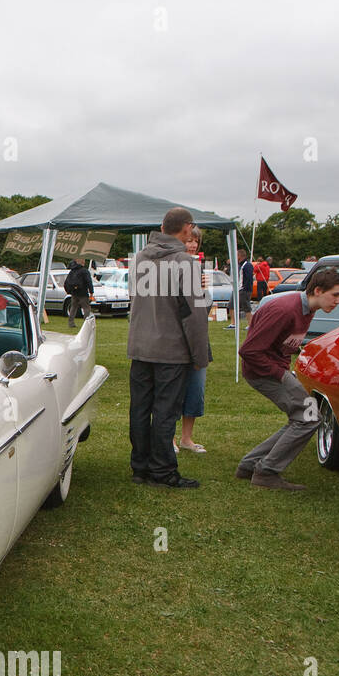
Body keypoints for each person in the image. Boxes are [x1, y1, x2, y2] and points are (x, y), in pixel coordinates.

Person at [235, 267, 339, 490]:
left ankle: (249, 466)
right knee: (309, 417)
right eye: (335, 295)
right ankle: (266, 472)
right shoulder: (285, 309)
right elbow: (249, 351)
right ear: (317, 290)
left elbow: (282, 341)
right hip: (265, 373)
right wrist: (282, 376)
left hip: (274, 370)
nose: (338, 301)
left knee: (303, 417)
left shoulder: (308, 309)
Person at [126, 207, 208, 489]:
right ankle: (162, 471)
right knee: (165, 410)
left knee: (140, 408)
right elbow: (194, 314)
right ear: (187, 228)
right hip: (170, 348)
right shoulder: (185, 262)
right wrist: (200, 355)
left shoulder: (139, 258)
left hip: (141, 345)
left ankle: (140, 466)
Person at [174, 228, 211, 454]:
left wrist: (204, 292)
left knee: (195, 391)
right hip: (176, 340)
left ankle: (187, 438)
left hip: (198, 340)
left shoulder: (199, 269)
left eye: (195, 242)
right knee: (173, 391)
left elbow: (203, 309)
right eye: (189, 241)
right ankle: (170, 439)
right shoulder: (172, 268)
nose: (192, 245)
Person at [63, 257, 94, 328]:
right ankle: (86, 324)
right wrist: (91, 292)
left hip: (74, 293)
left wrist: (69, 291)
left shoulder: (72, 271)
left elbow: (66, 282)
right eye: (83, 260)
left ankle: (71, 323)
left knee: (73, 307)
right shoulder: (84, 271)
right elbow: (89, 281)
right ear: (82, 262)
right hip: (83, 293)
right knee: (86, 308)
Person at [229, 248, 254, 329]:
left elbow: (249, 278)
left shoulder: (247, 265)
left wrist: (245, 288)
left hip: (244, 289)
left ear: (239, 256)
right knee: (231, 305)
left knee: (246, 307)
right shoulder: (238, 265)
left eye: (236, 255)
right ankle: (233, 323)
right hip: (237, 289)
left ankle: (251, 324)